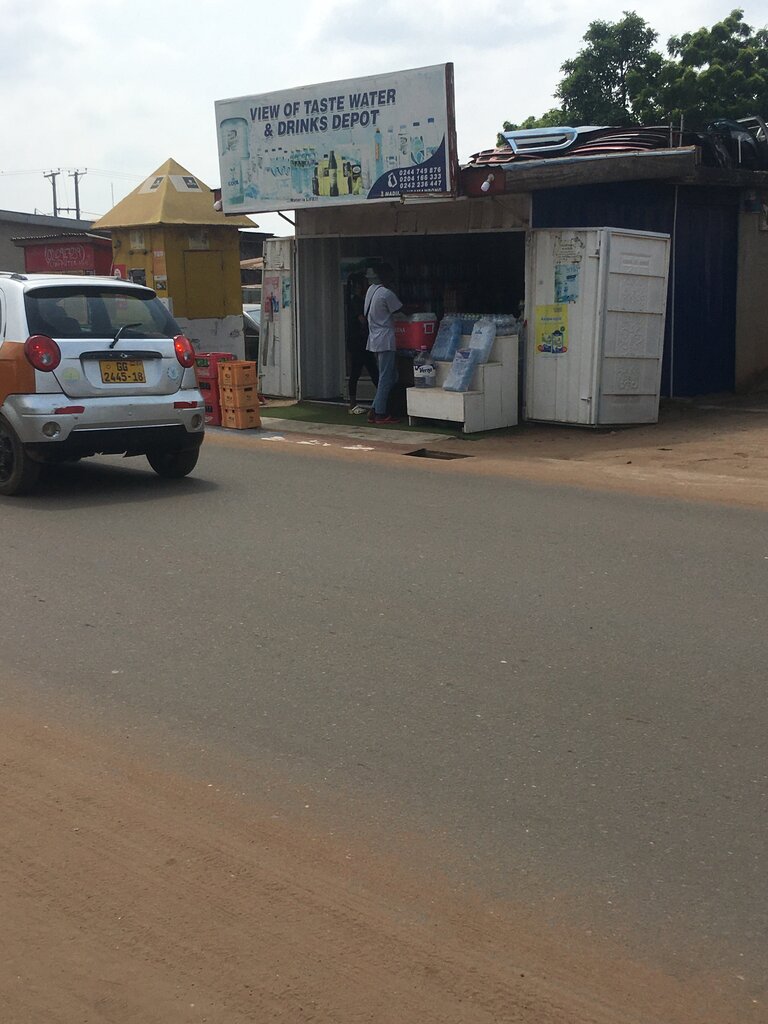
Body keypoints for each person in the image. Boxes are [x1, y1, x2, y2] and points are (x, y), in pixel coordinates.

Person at [364, 264, 402, 425]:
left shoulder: (371, 290)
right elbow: (400, 310)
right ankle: (380, 412)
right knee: (386, 377)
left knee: (391, 376)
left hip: (374, 337)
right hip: (385, 338)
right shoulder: (386, 293)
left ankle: (374, 408)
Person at [344, 273, 379, 413]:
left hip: (360, 341)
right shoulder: (356, 301)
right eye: (365, 284)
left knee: (367, 370)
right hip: (358, 342)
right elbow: (362, 319)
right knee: (363, 370)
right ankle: (353, 404)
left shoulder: (357, 300)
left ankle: (356, 403)